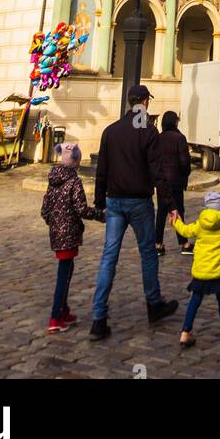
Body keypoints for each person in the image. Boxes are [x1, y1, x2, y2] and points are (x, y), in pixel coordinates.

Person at [90, 84, 178, 341]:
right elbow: (157, 172)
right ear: (144, 102)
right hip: (139, 202)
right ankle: (153, 304)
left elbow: (101, 170)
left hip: (115, 201)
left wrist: (98, 202)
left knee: (109, 257)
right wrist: (170, 204)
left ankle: (98, 318)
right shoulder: (148, 132)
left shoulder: (111, 131)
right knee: (148, 254)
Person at [41, 141, 101, 333]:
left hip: (57, 234)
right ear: (75, 161)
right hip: (68, 233)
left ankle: (64, 310)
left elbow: (45, 210)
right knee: (63, 275)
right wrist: (101, 215)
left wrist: (54, 224)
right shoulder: (74, 181)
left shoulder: (53, 180)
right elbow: (81, 208)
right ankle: (55, 317)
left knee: (67, 270)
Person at [172, 190, 220, 346]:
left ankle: (185, 332)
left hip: (201, 270)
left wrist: (175, 221)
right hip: (217, 270)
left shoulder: (200, 224)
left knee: (195, 299)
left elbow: (185, 231)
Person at [154, 111, 192, 256]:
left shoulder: (158, 138)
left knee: (162, 212)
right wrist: (185, 174)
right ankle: (184, 243)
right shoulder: (179, 138)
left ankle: (158, 243)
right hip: (175, 181)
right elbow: (184, 161)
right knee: (179, 211)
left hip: (161, 181)